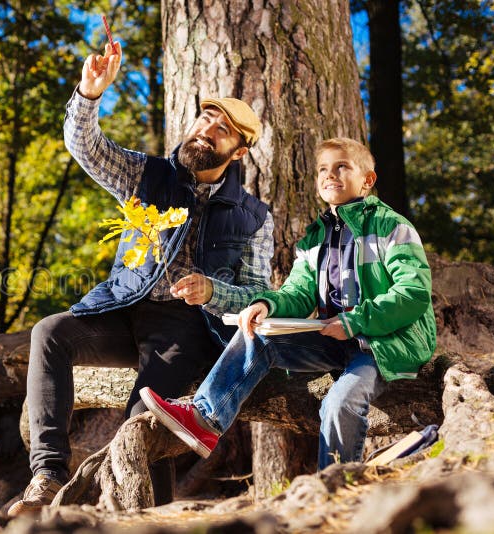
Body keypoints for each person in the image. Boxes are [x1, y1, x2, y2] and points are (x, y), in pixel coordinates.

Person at [7, 42, 275, 515]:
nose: (207, 130)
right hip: (121, 306)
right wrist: (89, 94)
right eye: (205, 119)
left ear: (238, 151)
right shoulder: (147, 174)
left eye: (222, 130)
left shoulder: (254, 216)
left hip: (185, 329)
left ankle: (152, 518)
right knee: (49, 332)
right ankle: (47, 477)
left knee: (143, 418)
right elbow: (85, 147)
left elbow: (257, 294)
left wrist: (213, 291)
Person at [140, 137, 436, 468]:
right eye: (323, 169)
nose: (330, 175)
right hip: (334, 337)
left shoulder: (390, 227)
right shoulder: (317, 237)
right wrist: (267, 306)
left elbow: (413, 293)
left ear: (367, 180)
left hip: (384, 342)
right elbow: (297, 293)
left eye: (342, 167)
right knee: (258, 332)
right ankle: (204, 419)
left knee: (340, 403)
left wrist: (356, 322)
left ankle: (338, 484)